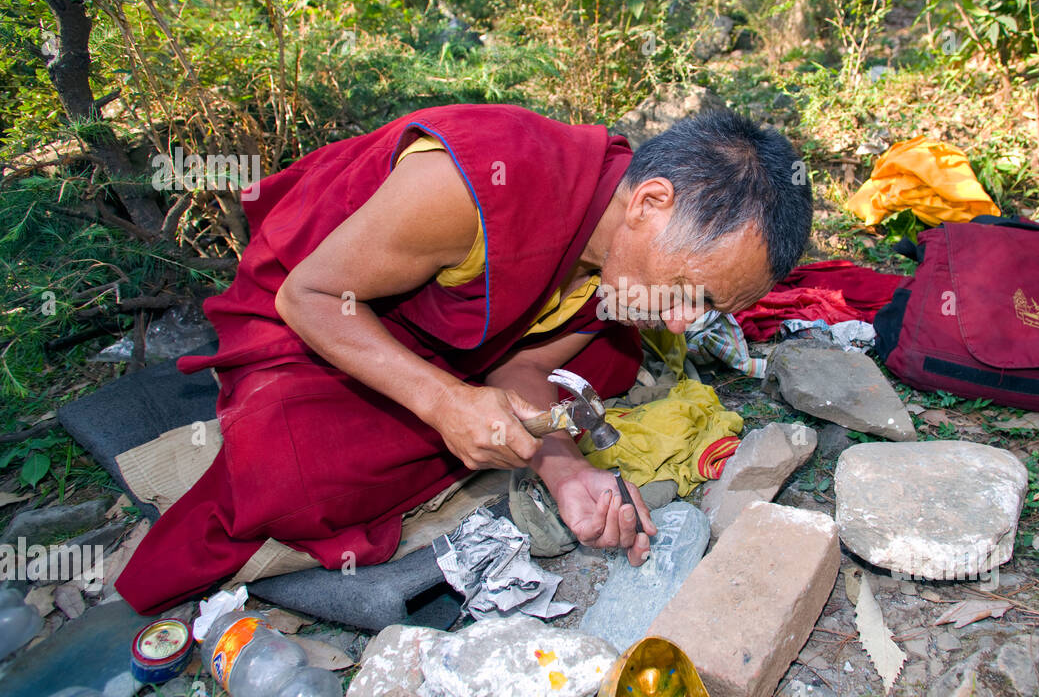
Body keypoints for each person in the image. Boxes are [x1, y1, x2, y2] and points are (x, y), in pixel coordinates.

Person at [116, 104, 812, 615]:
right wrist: (443, 401)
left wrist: (565, 468)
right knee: (296, 474)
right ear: (651, 203)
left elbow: (521, 368)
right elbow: (313, 293)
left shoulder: (622, 271)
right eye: (692, 292)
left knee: (603, 367)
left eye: (710, 309)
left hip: (451, 335)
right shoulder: (475, 186)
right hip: (322, 304)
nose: (685, 322)